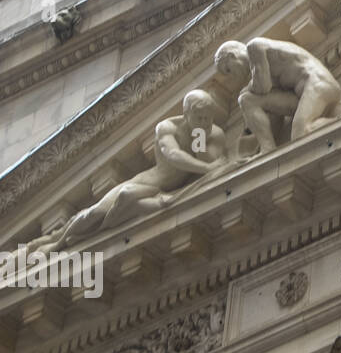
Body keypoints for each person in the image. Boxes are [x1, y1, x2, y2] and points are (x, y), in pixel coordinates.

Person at [27, 90, 227, 253]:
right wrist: (206, 167)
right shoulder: (167, 127)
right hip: (147, 182)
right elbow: (173, 154)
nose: (204, 121)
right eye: (199, 117)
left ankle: (107, 222)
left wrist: (199, 138)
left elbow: (211, 162)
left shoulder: (212, 134)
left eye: (208, 117)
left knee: (126, 199)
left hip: (162, 192)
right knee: (96, 212)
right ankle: (57, 244)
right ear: (186, 115)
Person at [214, 38, 341, 154]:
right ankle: (267, 148)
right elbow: (272, 113)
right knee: (247, 100)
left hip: (318, 84)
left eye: (228, 70)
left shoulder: (254, 47)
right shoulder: (265, 69)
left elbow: (262, 87)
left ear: (232, 56)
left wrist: (247, 89)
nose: (233, 76)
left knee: (301, 134)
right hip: (301, 96)